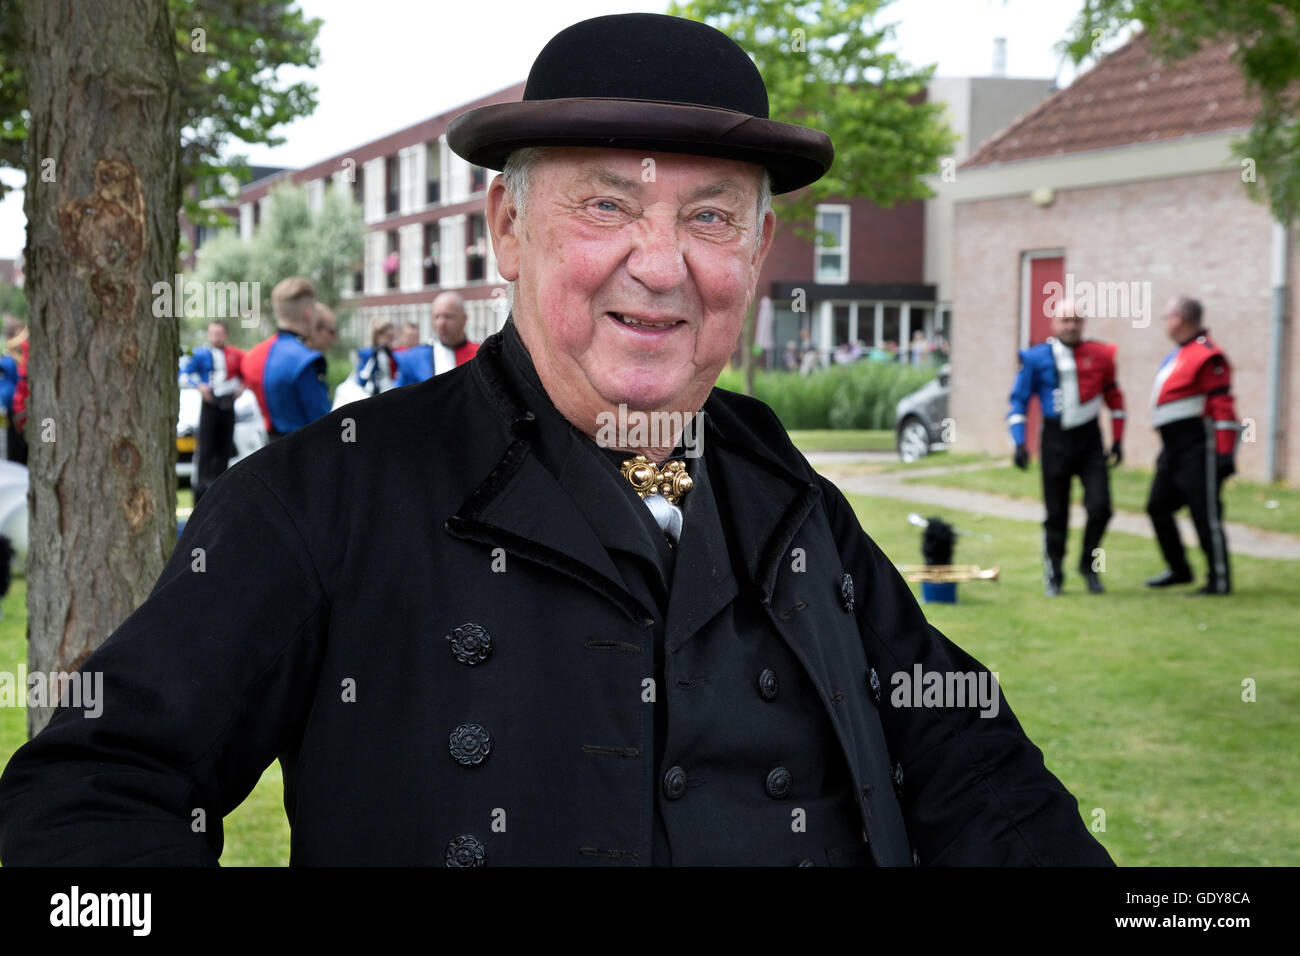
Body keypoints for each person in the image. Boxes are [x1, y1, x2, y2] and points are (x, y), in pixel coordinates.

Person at [0, 13, 1110, 867]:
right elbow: (87, 801)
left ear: (761, 249)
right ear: (507, 231)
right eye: (608, 207)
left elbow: (975, 768)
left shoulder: (789, 496)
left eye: (710, 215)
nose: (663, 262)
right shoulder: (324, 495)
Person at [1007, 300, 1124, 595]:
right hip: (1055, 440)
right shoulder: (1037, 358)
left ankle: (1088, 564)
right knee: (1056, 513)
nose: (1071, 325)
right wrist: (1019, 442)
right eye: (1065, 320)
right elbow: (1019, 400)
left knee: (1101, 508)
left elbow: (1115, 399)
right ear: (1054, 323)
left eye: (1076, 320)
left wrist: (1119, 440)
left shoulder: (1100, 355)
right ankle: (1055, 574)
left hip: (1090, 441)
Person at [1145, 296, 1237, 595]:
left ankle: (1218, 580)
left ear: (1179, 319)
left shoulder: (1207, 354)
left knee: (1204, 514)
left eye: (1166, 316)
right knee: (1157, 506)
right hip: (1173, 448)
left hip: (1200, 446)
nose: (1164, 322)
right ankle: (1180, 569)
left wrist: (1225, 454)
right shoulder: (1181, 352)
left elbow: (1223, 407)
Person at [241, 277, 329, 440]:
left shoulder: (252, 356)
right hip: (303, 450)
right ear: (308, 313)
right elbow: (322, 419)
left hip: (267, 449)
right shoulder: (307, 359)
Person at [179, 320, 245, 503]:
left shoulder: (235, 355)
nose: (215, 337)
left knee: (223, 451)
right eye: (212, 333)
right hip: (210, 405)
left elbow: (246, 374)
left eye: (219, 333)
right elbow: (184, 373)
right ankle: (201, 497)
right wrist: (199, 386)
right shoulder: (201, 354)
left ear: (225, 335)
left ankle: (222, 495)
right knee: (206, 450)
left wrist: (242, 387)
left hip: (228, 405)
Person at [394, 292, 479, 385]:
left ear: (464, 319)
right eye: (436, 317)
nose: (441, 323)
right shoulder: (413, 358)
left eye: (448, 316)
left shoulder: (481, 355)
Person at [356, 318, 398, 395]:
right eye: (389, 337)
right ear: (378, 336)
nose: (392, 341)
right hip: (373, 395)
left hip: (390, 393)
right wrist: (373, 358)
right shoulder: (369, 353)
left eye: (393, 338)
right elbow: (361, 380)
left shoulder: (391, 353)